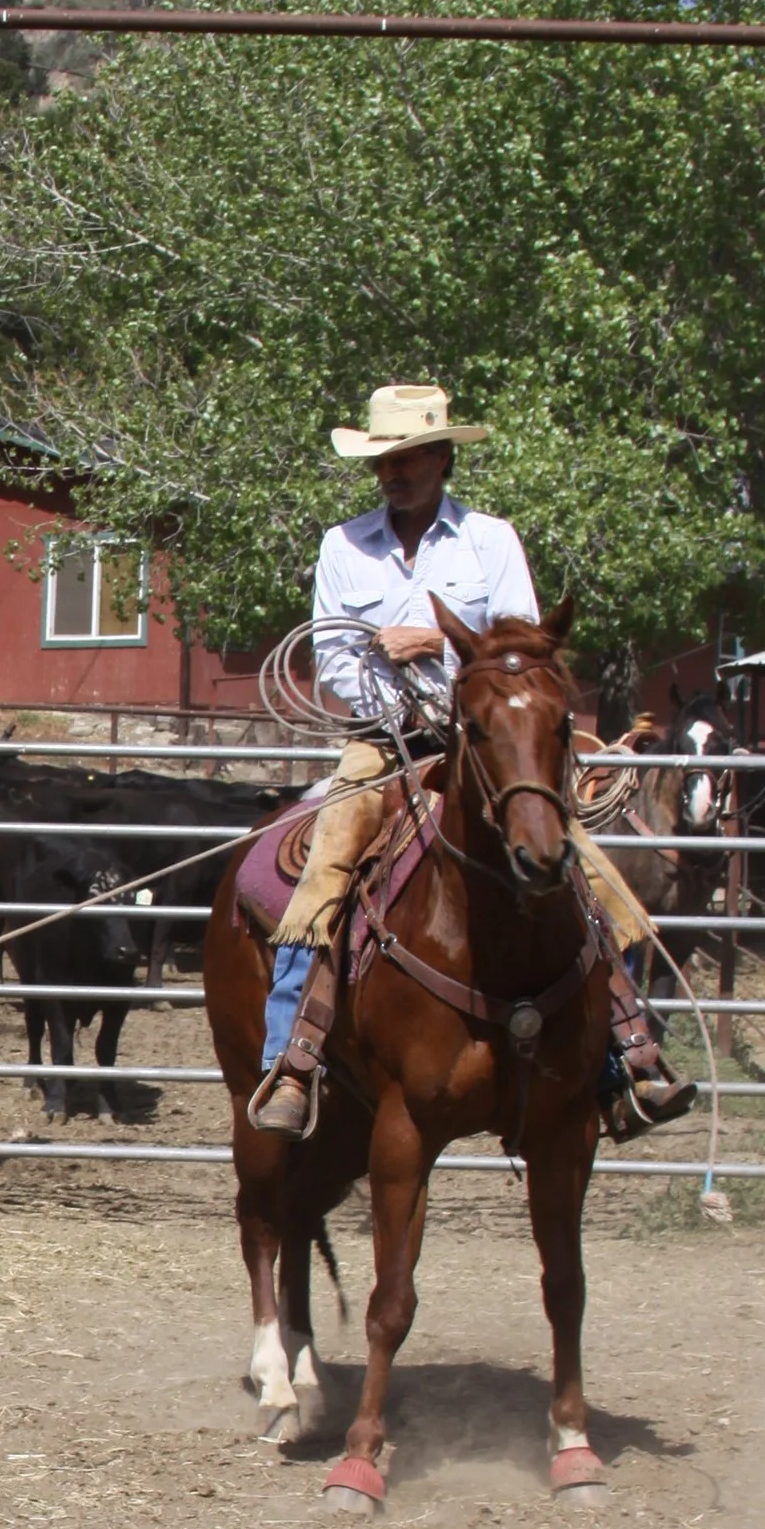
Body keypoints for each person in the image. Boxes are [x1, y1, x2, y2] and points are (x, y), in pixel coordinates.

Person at [247, 381, 695, 1143]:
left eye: (413, 456)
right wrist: (395, 699)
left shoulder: (491, 540)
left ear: (443, 458)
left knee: (577, 867)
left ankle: (630, 1050)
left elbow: (521, 648)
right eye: (386, 460)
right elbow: (331, 661)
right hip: (384, 742)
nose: (396, 472)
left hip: (485, 745)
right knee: (326, 863)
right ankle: (293, 1057)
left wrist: (435, 647)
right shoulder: (342, 546)